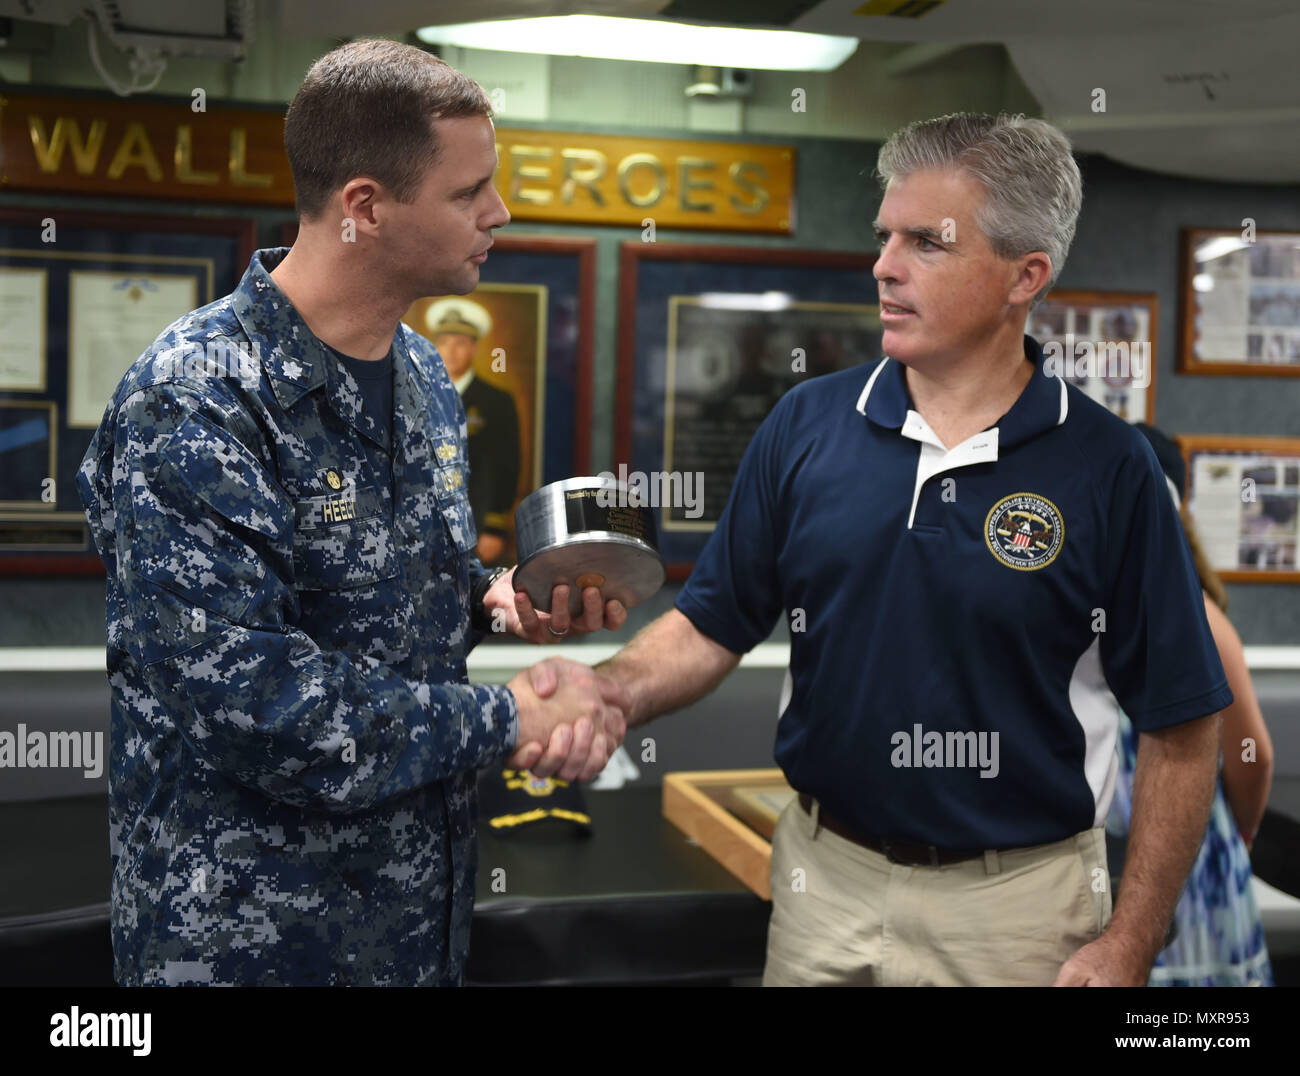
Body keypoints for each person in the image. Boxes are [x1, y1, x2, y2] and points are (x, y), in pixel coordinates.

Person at [535, 112, 1235, 986]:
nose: (883, 265)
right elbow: (712, 624)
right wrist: (607, 693)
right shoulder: (806, 423)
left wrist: (1131, 938)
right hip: (822, 885)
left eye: (925, 244)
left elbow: (1184, 724)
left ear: (1026, 276)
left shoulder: (1109, 468)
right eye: (883, 237)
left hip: (1020, 913)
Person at [76, 39, 628, 987]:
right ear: (364, 206)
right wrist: (510, 720)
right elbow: (255, 701)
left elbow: (394, 591)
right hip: (246, 945)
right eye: (468, 193)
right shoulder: (198, 395)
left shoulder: (422, 376)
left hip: (416, 928)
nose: (499, 213)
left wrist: (499, 601)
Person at [1106, 423, 1275, 986]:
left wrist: (1236, 836)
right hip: (1112, 856)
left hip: (1172, 854)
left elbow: (1251, 755)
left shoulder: (1198, 618)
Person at [424, 297, 521, 565]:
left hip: (477, 521)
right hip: (424, 522)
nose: (451, 351)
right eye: (444, 343)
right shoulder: (416, 393)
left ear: (475, 348)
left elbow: (507, 466)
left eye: (461, 343)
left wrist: (494, 526)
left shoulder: (496, 401)